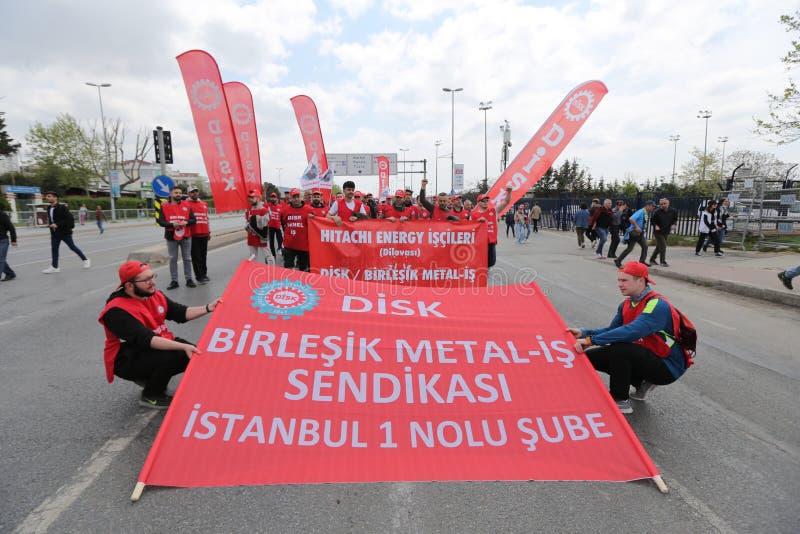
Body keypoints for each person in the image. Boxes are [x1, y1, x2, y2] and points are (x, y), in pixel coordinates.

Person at [568, 262, 689, 414]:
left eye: (624, 280)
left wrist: (591, 341)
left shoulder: (656, 305)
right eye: (618, 280)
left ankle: (620, 400)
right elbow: (612, 330)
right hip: (649, 356)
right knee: (588, 358)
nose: (619, 284)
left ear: (641, 281)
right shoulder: (626, 304)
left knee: (621, 349)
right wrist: (584, 333)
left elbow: (632, 331)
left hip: (668, 366)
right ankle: (641, 382)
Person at [98, 260, 222, 409]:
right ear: (129, 286)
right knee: (174, 354)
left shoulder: (153, 294)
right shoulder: (116, 311)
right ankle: (151, 395)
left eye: (152, 276)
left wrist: (209, 307)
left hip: (149, 346)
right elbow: (147, 339)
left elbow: (180, 313)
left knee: (193, 353)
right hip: (125, 357)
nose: (152, 283)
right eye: (146, 280)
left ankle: (150, 378)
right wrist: (182, 347)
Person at [157, 186, 196, 289]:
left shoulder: (187, 205)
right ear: (171, 194)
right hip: (171, 236)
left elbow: (193, 220)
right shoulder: (164, 206)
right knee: (173, 259)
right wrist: (172, 225)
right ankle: (174, 281)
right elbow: (160, 222)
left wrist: (186, 222)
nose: (178, 194)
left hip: (186, 235)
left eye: (179, 193)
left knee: (187, 258)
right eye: (176, 193)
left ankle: (189, 279)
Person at [42, 191, 91, 274]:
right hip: (54, 233)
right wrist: (51, 226)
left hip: (65, 232)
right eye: (46, 196)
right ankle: (55, 267)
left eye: (49, 196)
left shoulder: (62, 207)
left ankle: (85, 260)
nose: (47, 198)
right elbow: (52, 219)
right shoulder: (49, 208)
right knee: (54, 249)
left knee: (72, 247)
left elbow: (69, 219)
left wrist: (57, 224)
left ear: (55, 197)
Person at [470, 186, 512, 268]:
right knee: (480, 264)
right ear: (478, 203)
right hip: (480, 243)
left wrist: (509, 192)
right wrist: (477, 221)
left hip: (491, 242)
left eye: (486, 201)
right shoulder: (473, 214)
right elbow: (469, 229)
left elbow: (506, 202)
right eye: (483, 201)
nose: (486, 202)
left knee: (491, 263)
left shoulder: (493, 211)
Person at [614, 200, 655, 267]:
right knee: (631, 248)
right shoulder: (641, 211)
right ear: (648, 206)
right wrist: (637, 227)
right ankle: (618, 261)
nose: (653, 208)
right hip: (634, 233)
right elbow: (631, 219)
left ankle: (642, 261)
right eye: (652, 206)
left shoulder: (645, 212)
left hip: (639, 233)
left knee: (644, 246)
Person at [282, 188, 315, 271]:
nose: (296, 199)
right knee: (288, 269)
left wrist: (313, 218)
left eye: (298, 196)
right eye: (294, 197)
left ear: (301, 197)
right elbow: (283, 223)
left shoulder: (309, 209)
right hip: (289, 245)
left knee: (303, 270)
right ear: (291, 198)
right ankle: (288, 283)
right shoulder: (285, 210)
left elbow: (316, 224)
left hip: (303, 246)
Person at [186, 187, 211, 283]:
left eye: (196, 191)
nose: (195, 193)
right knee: (196, 257)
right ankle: (199, 276)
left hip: (204, 234)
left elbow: (207, 219)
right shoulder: (186, 204)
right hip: (193, 235)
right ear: (189, 194)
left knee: (203, 255)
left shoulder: (204, 204)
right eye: (192, 192)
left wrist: (209, 232)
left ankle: (204, 274)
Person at [245, 189, 275, 264]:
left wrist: (253, 219)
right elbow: (246, 223)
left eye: (252, 198)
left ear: (258, 198)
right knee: (252, 257)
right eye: (249, 198)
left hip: (262, 237)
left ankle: (272, 272)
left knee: (268, 256)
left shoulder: (264, 210)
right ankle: (254, 273)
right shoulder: (248, 210)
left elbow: (265, 222)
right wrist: (247, 226)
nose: (250, 200)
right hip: (251, 237)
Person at [649, 198, 678, 267]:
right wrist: (655, 225)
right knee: (663, 245)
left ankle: (652, 259)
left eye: (665, 203)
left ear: (668, 203)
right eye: (661, 204)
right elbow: (652, 220)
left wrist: (674, 224)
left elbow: (675, 219)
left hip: (666, 230)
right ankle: (663, 262)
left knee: (659, 247)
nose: (663, 205)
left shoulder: (673, 211)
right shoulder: (657, 211)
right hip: (658, 232)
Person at [0, 206, 18, 281]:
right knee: (1, 259)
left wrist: (13, 240)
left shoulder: (2, 215)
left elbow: (11, 228)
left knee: (0, 259)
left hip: (2, 241)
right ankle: (10, 273)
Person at [266, 192, 284, 258]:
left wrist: (284, 227)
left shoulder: (280, 207)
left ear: (276, 198)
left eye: (274, 197)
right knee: (271, 243)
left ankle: (281, 250)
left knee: (280, 241)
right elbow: (263, 202)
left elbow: (282, 218)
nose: (273, 198)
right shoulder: (268, 206)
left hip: (278, 227)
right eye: (272, 197)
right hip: (271, 227)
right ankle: (273, 256)